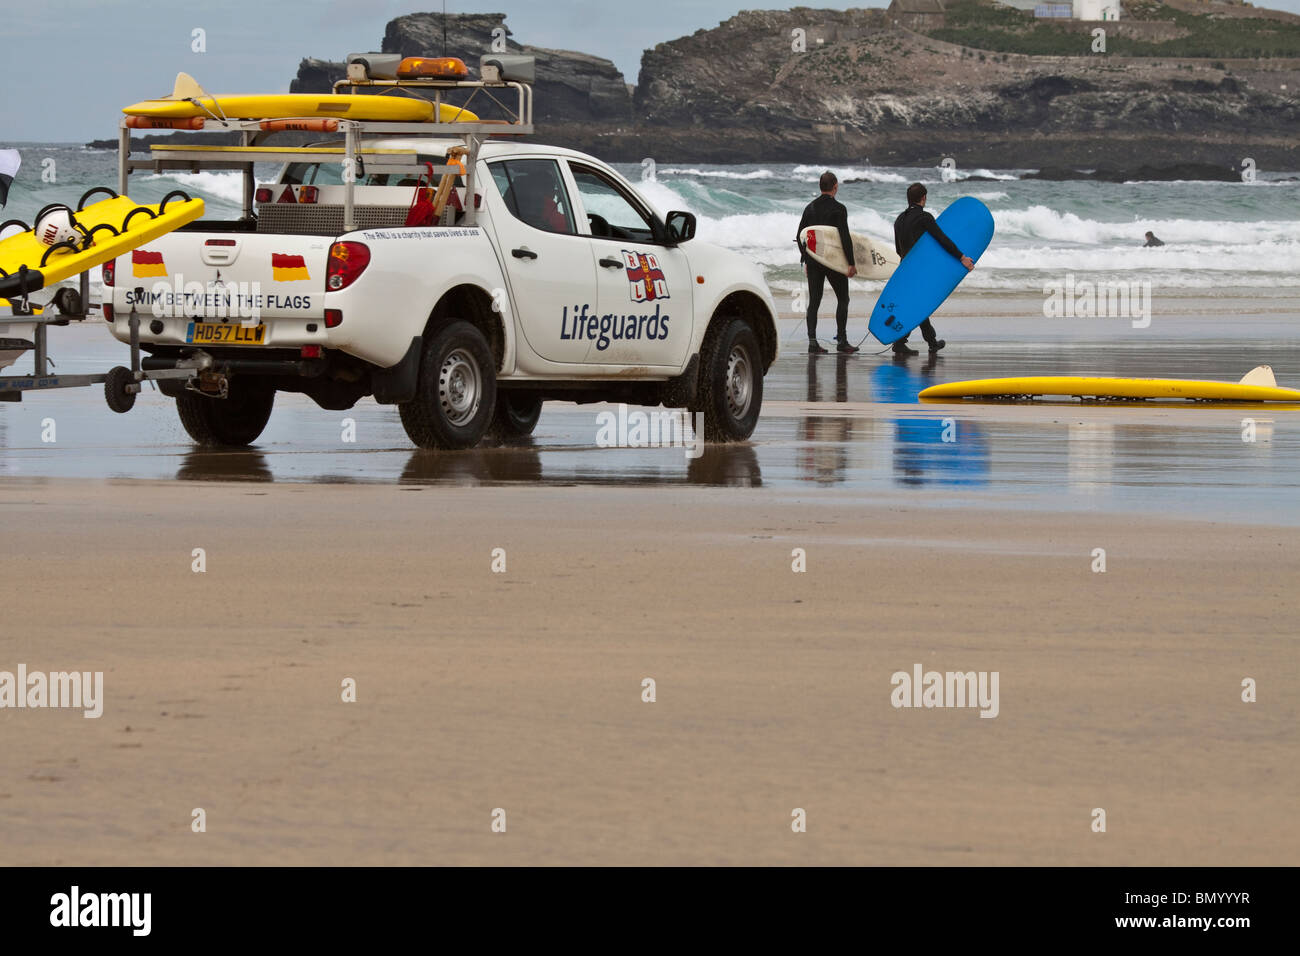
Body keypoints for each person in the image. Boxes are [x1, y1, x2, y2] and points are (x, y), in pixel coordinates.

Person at [891, 183, 975, 357]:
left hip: (904, 269)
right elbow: (941, 239)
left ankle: (921, 342)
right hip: (920, 271)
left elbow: (898, 249)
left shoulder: (899, 219)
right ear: (923, 198)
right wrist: (961, 257)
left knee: (916, 305)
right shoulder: (924, 218)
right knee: (919, 305)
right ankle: (914, 342)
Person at [796, 171, 858, 354]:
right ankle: (842, 341)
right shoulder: (839, 208)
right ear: (835, 187)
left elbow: (800, 237)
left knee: (814, 301)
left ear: (820, 187)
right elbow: (844, 237)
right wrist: (851, 263)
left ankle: (812, 343)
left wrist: (806, 259)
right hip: (833, 261)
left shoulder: (810, 208)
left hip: (815, 260)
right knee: (843, 299)